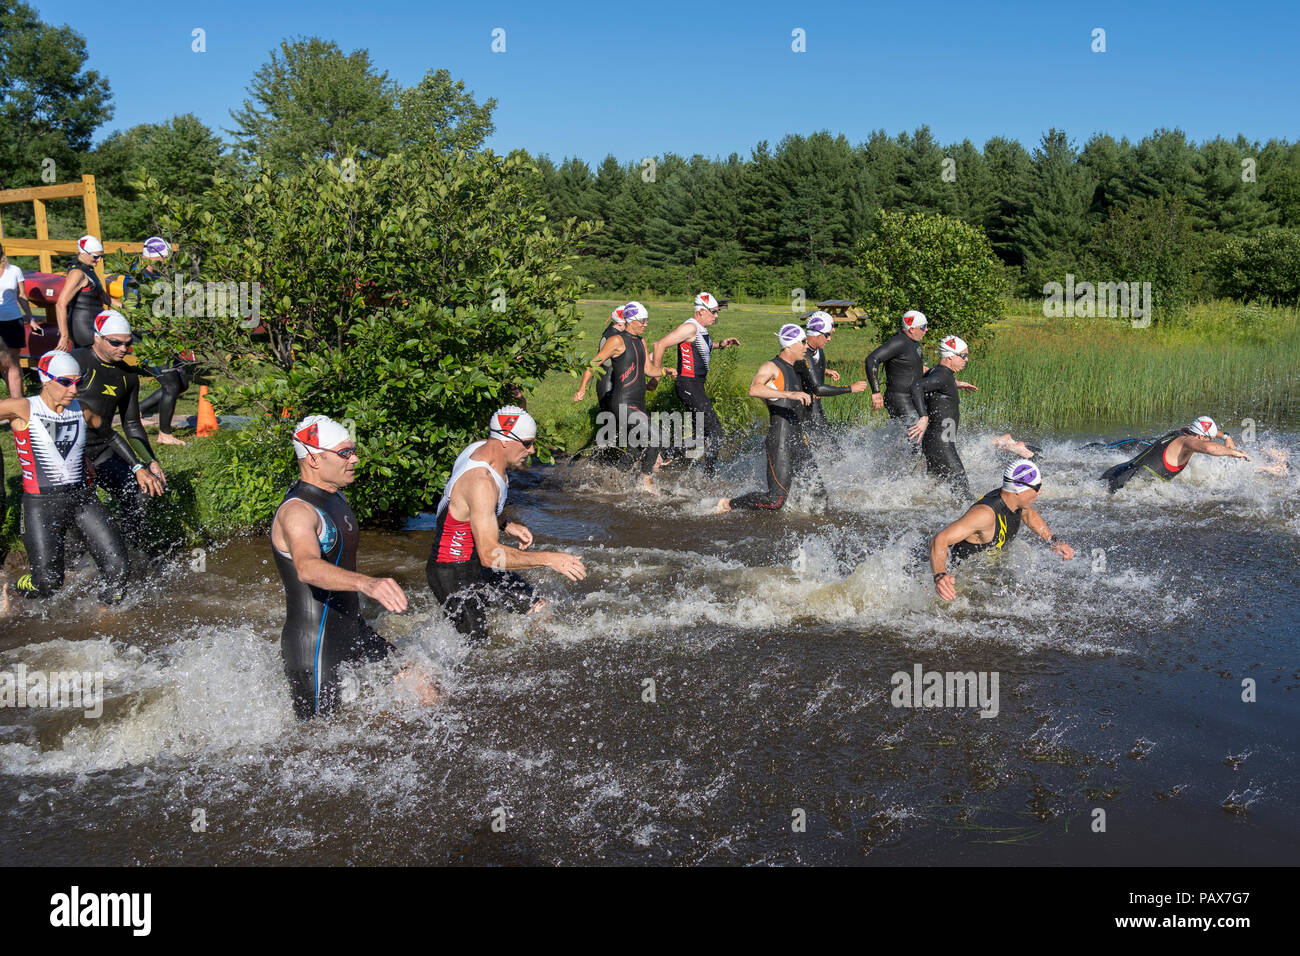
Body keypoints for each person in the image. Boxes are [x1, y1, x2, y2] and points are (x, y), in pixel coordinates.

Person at [271, 415, 425, 719]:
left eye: (352, 451)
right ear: (314, 458)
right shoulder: (298, 513)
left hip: (353, 631)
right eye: (345, 453)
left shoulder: (335, 495)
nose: (354, 459)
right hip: (315, 650)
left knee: (421, 684)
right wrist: (367, 583)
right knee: (320, 746)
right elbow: (308, 568)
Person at [427, 406, 586, 643]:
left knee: (539, 609)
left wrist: (506, 524)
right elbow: (491, 555)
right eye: (527, 443)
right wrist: (549, 559)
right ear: (504, 441)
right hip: (452, 572)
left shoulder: (480, 451)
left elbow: (470, 507)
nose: (531, 450)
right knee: (476, 651)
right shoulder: (481, 481)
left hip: (475, 562)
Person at [1, 351, 130, 604]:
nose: (73, 389)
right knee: (48, 583)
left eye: (78, 382)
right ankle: (12, 589)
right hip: (40, 505)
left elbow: (107, 434)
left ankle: (106, 630)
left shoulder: (82, 410)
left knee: (119, 570)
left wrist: (138, 466)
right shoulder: (23, 408)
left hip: (83, 499)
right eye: (65, 382)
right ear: (44, 379)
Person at [70, 310, 166, 550]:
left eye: (128, 343)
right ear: (97, 338)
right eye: (115, 342)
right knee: (74, 503)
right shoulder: (77, 361)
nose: (123, 349)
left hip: (103, 447)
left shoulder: (128, 376)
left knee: (138, 491)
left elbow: (131, 423)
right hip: (70, 451)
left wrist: (150, 461)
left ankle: (128, 550)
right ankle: (72, 558)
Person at [927, 459, 1075, 601]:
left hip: (984, 566)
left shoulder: (1015, 503)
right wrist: (940, 576)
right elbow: (940, 539)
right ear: (1019, 490)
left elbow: (1029, 514)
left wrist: (1053, 541)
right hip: (956, 579)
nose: (1040, 492)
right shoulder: (984, 514)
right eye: (1037, 487)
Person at [716, 324, 823, 512]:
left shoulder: (794, 367)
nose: (807, 346)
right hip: (780, 440)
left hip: (797, 439)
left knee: (819, 495)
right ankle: (728, 504)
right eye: (803, 342)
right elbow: (754, 389)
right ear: (790, 345)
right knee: (775, 501)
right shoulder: (771, 366)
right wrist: (790, 395)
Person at [650, 292, 740, 473]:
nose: (716, 316)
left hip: (694, 386)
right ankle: (709, 476)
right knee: (716, 432)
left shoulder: (698, 329)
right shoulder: (690, 327)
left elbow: (701, 345)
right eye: (713, 312)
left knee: (702, 436)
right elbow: (659, 345)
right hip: (689, 385)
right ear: (700, 311)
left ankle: (662, 456)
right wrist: (656, 376)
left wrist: (721, 344)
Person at [584, 301, 666, 489]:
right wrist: (581, 389)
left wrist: (664, 372)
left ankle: (613, 481)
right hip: (623, 402)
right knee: (657, 437)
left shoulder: (641, 341)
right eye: (642, 321)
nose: (646, 324)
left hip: (637, 401)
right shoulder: (617, 340)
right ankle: (646, 480)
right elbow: (593, 364)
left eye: (647, 320)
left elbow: (647, 369)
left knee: (636, 448)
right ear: (631, 320)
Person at [132, 237, 195, 446]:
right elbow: (132, 314)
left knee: (182, 384)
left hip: (162, 338)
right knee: (170, 385)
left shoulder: (158, 275)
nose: (168, 262)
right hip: (148, 340)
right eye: (165, 258)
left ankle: (138, 411)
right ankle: (164, 434)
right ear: (152, 257)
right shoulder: (136, 278)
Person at [907, 334, 978, 497]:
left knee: (934, 492)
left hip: (935, 441)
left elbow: (935, 384)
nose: (966, 360)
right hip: (942, 443)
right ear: (951, 356)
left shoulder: (939, 373)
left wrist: (955, 384)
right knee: (963, 492)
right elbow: (916, 386)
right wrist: (923, 417)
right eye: (963, 356)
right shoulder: (942, 375)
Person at [1100, 416, 1250, 493]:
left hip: (1117, 471)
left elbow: (1208, 434)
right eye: (1209, 438)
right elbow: (1209, 448)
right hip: (1123, 484)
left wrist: (1226, 437)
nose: (1211, 440)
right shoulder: (1188, 442)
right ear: (1200, 437)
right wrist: (1233, 452)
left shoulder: (1184, 430)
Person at [795, 311, 867, 438]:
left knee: (830, 445)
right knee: (818, 445)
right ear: (816, 335)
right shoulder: (803, 353)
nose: (830, 338)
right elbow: (818, 389)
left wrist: (825, 371)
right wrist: (850, 388)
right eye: (827, 334)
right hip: (801, 407)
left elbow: (808, 369)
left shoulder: (818, 350)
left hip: (814, 404)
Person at [865, 310, 929, 420]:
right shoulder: (899, 342)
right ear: (912, 329)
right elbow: (872, 359)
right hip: (899, 398)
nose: (926, 330)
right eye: (923, 327)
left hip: (913, 396)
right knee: (915, 432)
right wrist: (876, 392)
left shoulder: (914, 342)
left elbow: (910, 366)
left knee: (913, 432)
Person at [1, 242, 43, 400]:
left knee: (12, 361)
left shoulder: (14, 271)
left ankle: (18, 402)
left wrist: (30, 318)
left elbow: (23, 296)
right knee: (3, 363)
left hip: (13, 320)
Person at [54, 236, 110, 351]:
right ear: (84, 253)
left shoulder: (88, 268)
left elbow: (104, 297)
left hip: (93, 323)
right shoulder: (77, 273)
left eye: (101, 256)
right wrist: (64, 336)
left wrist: (130, 309)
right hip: (83, 327)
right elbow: (60, 304)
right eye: (95, 256)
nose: (99, 260)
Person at [573, 305, 625, 416]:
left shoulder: (618, 333)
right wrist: (582, 389)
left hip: (616, 382)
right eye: (628, 322)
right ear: (620, 323)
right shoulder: (612, 338)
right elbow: (593, 365)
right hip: (608, 384)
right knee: (611, 425)